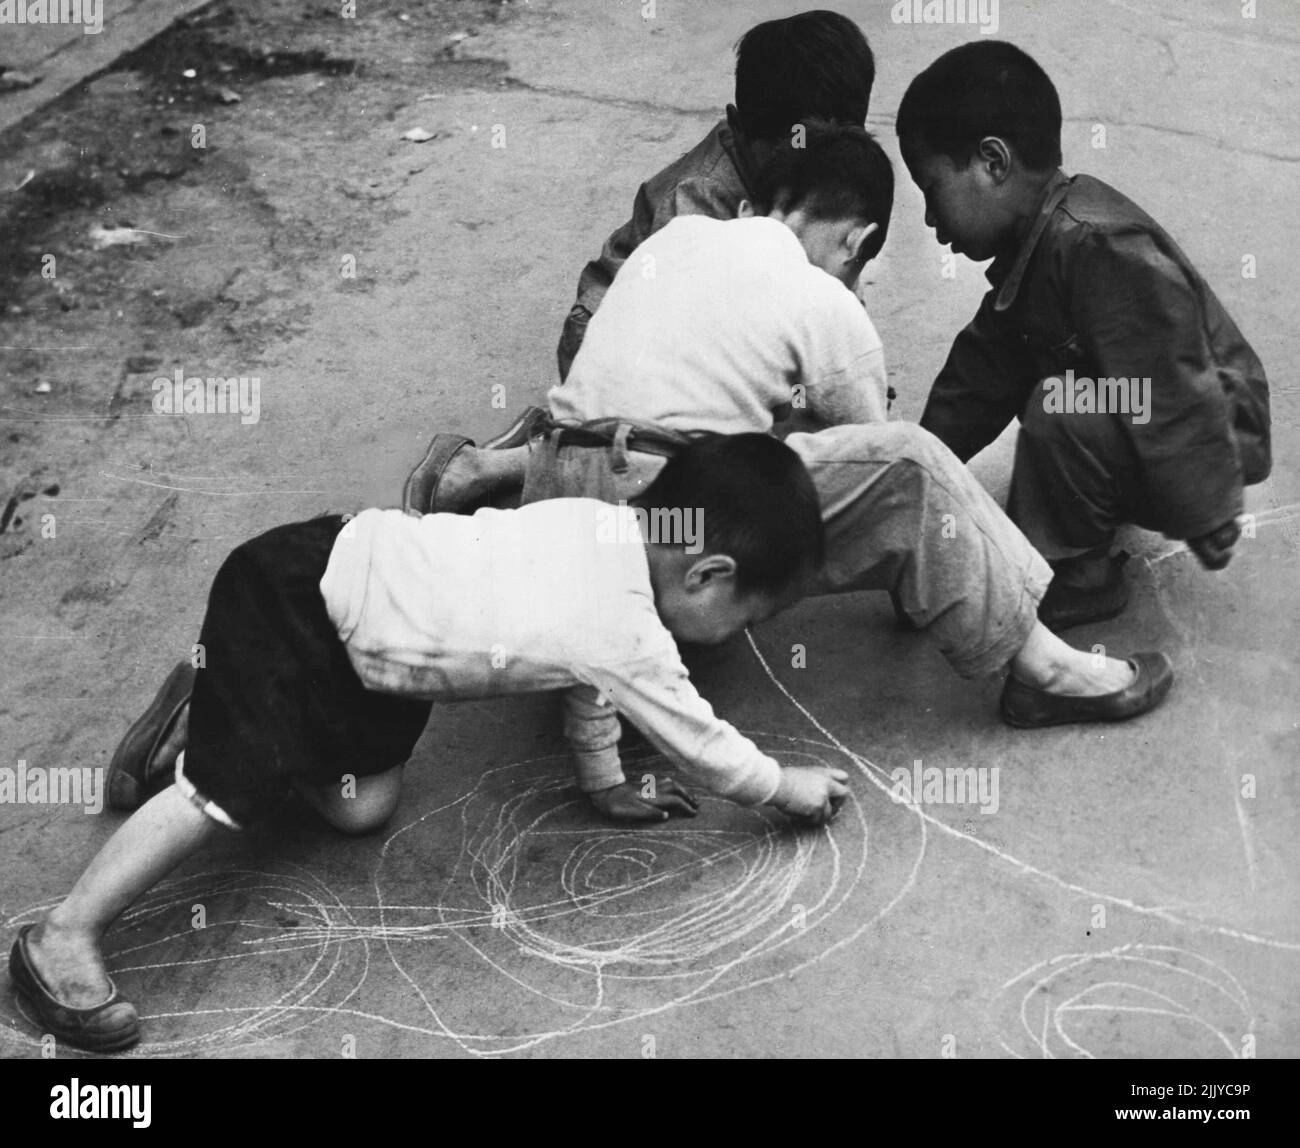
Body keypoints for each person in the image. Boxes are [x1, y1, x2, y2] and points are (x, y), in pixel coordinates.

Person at [10, 435, 848, 1053]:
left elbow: (589, 680)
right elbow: (697, 740)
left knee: (358, 809)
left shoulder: (605, 530)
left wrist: (606, 784)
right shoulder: (624, 622)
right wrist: (783, 787)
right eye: (752, 617)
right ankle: (64, 935)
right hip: (295, 600)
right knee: (229, 795)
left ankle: (210, 692)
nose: (741, 633)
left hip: (366, 657)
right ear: (708, 575)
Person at [407, 125, 1176, 733]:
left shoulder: (676, 238)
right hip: (667, 522)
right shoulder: (823, 298)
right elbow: (881, 470)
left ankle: (500, 483)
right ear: (857, 242)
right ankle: (1048, 674)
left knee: (751, 449)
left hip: (558, 505)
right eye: (859, 265)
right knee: (914, 468)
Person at [896, 41, 1271, 629]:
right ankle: (1093, 504)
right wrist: (907, 475)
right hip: (1147, 409)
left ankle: (1086, 578)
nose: (928, 218)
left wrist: (1206, 507)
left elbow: (1170, 386)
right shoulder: (1033, 251)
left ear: (994, 163)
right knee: (1045, 388)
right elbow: (977, 378)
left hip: (1215, 427)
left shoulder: (1096, 246)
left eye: (931, 188)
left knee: (1057, 403)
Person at [557, 8, 876, 379]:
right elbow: (682, 333)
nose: (808, 177)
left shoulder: (837, 174)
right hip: (623, 339)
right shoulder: (693, 203)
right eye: (788, 157)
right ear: (739, 129)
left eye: (834, 149)